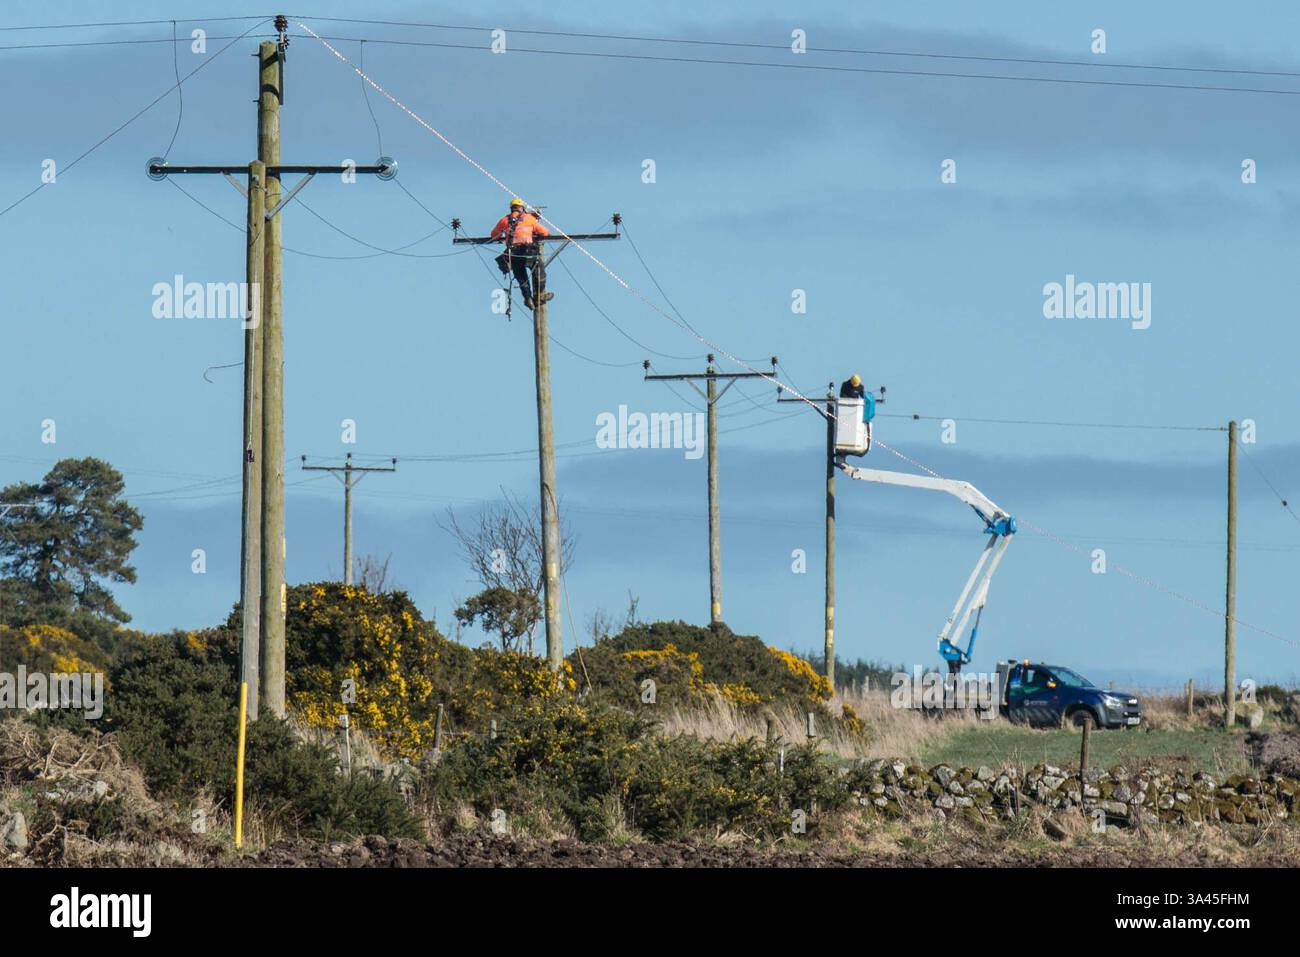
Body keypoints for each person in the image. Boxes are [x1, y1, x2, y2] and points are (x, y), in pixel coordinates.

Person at [491, 199, 553, 310]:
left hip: (513, 253)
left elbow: (494, 235)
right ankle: (539, 295)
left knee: (522, 278)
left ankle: (528, 298)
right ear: (521, 208)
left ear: (511, 208)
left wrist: (503, 235)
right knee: (538, 270)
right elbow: (545, 232)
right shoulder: (529, 218)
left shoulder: (504, 220)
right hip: (527, 250)